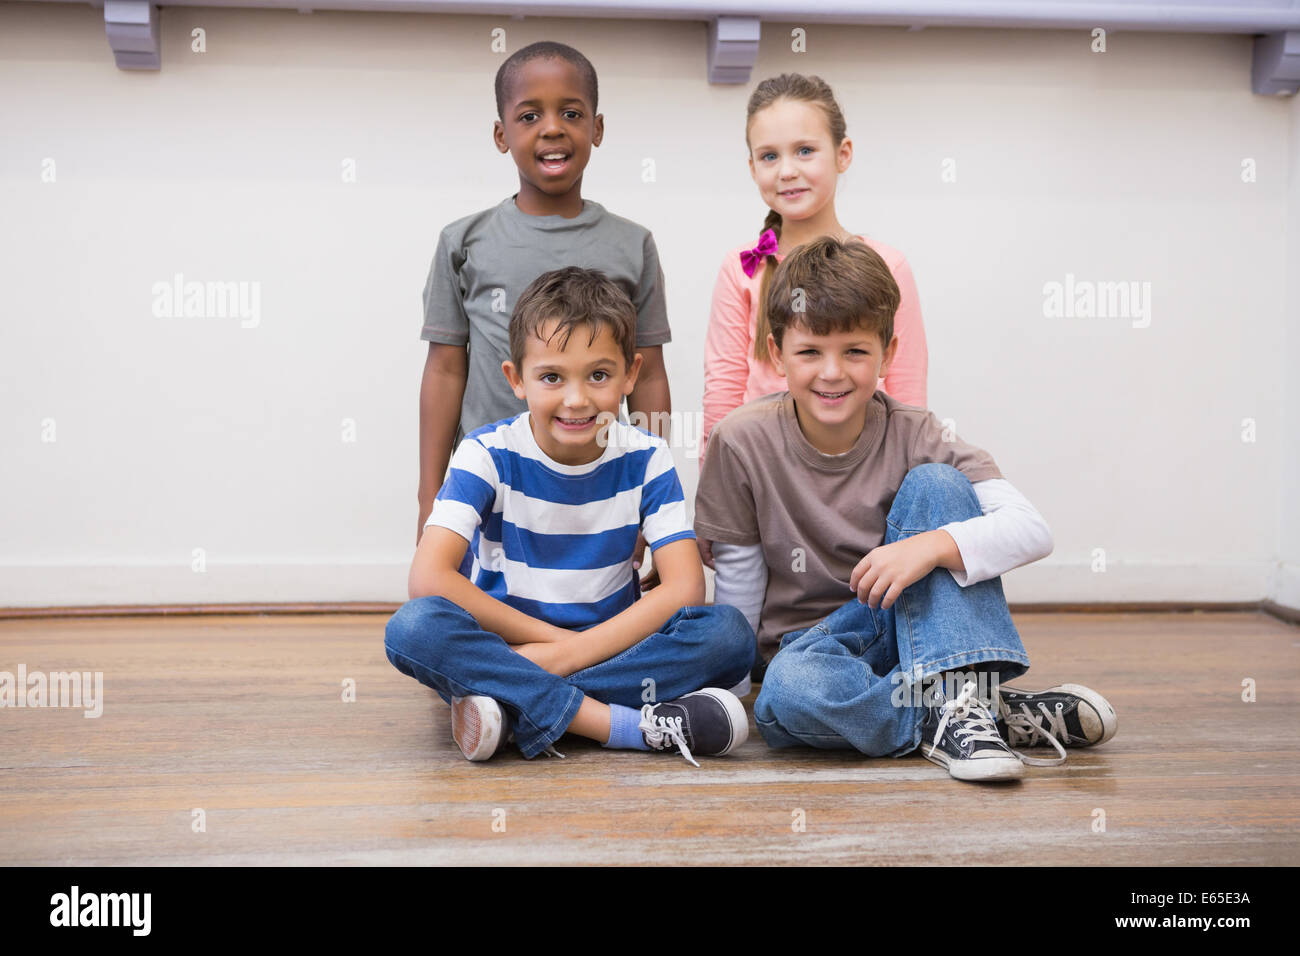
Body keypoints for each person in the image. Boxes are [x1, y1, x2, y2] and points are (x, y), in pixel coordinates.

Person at [694, 236, 1117, 782]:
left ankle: (958, 704)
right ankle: (973, 710)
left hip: (909, 627)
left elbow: (1033, 530)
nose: (831, 372)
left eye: (855, 351)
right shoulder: (740, 440)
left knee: (939, 484)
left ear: (887, 354)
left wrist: (930, 546)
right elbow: (740, 573)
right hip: (811, 653)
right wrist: (734, 692)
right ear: (776, 354)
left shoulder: (918, 433)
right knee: (789, 694)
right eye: (809, 352)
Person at [386, 267, 753, 764]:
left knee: (728, 635)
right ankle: (620, 725)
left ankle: (505, 698)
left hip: (608, 641)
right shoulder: (486, 452)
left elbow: (686, 587)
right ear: (517, 379)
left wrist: (561, 658)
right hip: (515, 639)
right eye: (552, 377)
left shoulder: (647, 456)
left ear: (630, 374)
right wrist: (559, 645)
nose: (577, 399)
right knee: (414, 628)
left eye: (598, 375)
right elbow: (429, 579)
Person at [416, 40, 673, 591]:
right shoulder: (464, 241)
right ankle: (544, 668)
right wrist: (429, 494)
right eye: (529, 115)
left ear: (597, 129)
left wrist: (651, 501)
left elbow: (647, 372)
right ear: (501, 134)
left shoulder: (633, 244)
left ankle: (551, 667)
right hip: (493, 484)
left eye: (571, 113)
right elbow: (443, 369)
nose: (552, 128)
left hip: (600, 485)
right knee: (440, 620)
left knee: (623, 614)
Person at [701, 73, 929, 467]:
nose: (787, 170)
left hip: (863, 471)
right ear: (753, 168)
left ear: (843, 154)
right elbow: (722, 390)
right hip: (765, 469)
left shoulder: (889, 266)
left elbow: (907, 397)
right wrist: (717, 486)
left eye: (805, 150)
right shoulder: (742, 268)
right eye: (770, 156)